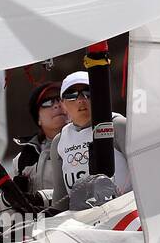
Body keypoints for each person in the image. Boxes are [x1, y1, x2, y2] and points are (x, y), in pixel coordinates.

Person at [50, 70, 130, 210]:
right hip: (85, 222)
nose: (81, 100)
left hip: (124, 215)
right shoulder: (59, 141)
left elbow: (146, 176)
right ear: (62, 104)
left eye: (88, 92)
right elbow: (60, 198)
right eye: (72, 95)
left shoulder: (118, 125)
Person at [6, 81, 67, 211]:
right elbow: (7, 208)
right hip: (38, 227)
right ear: (37, 118)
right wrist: (10, 197)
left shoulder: (87, 142)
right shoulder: (22, 159)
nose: (56, 105)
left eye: (60, 99)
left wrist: (41, 198)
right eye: (47, 102)